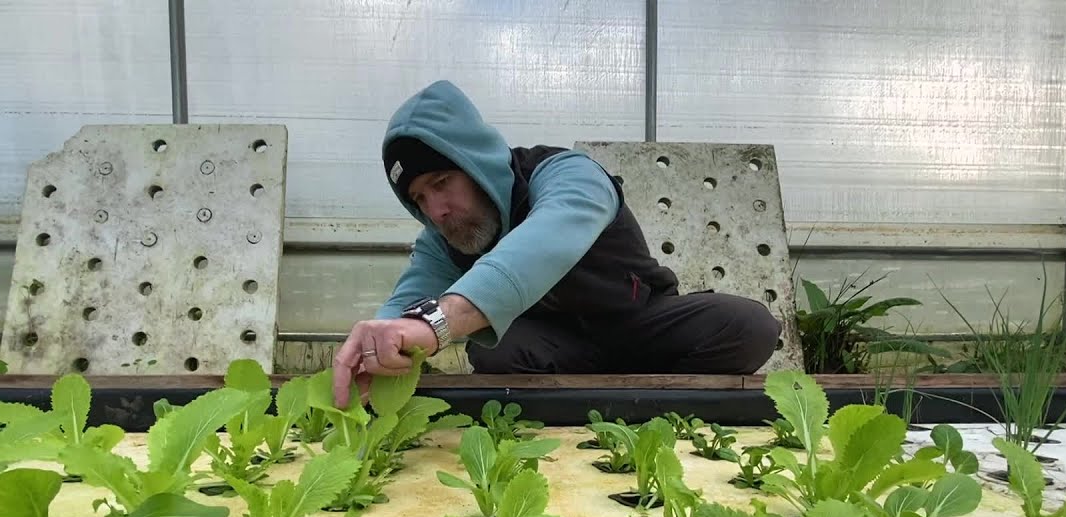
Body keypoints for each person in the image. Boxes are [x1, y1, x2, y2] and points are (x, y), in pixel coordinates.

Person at [331, 80, 781, 407]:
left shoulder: (567, 174)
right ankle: (593, 411)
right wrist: (378, 345)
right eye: (419, 199)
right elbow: (404, 306)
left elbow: (544, 242)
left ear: (478, 162)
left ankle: (656, 409)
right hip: (563, 350)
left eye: (442, 182)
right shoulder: (442, 240)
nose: (436, 209)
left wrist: (435, 324)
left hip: (640, 324)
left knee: (748, 325)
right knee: (497, 350)